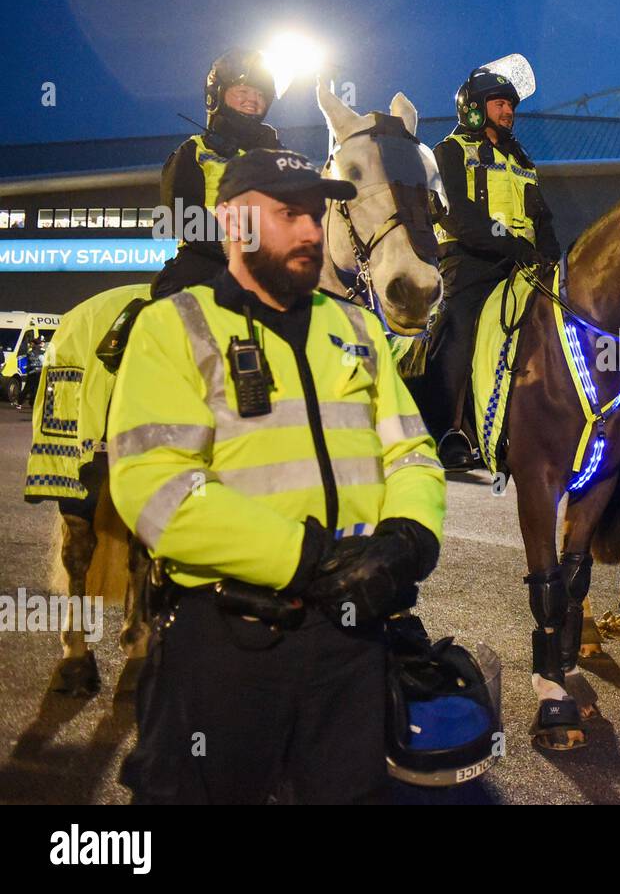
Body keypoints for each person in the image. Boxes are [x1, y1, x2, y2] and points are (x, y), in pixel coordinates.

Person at [108, 148, 446, 804]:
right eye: (290, 213)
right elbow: (157, 489)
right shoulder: (174, 326)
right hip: (229, 645)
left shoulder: (355, 326)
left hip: (353, 636)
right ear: (231, 221)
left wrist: (406, 539)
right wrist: (310, 559)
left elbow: (412, 451)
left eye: (317, 213)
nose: (313, 231)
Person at [422, 63, 559, 470]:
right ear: (475, 109)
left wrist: (549, 255)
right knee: (460, 327)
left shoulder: (522, 161)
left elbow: (543, 218)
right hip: (470, 263)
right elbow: (457, 215)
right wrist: (510, 244)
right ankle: (449, 431)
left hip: (524, 265)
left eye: (510, 106)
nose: (508, 112)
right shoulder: (448, 152)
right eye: (500, 104)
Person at [151, 48, 280, 298]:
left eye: (260, 94)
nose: (252, 99)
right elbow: (181, 214)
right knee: (173, 297)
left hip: (270, 263)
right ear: (216, 96)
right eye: (242, 91)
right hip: (206, 259)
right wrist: (234, 247)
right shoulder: (194, 151)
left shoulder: (282, 158)